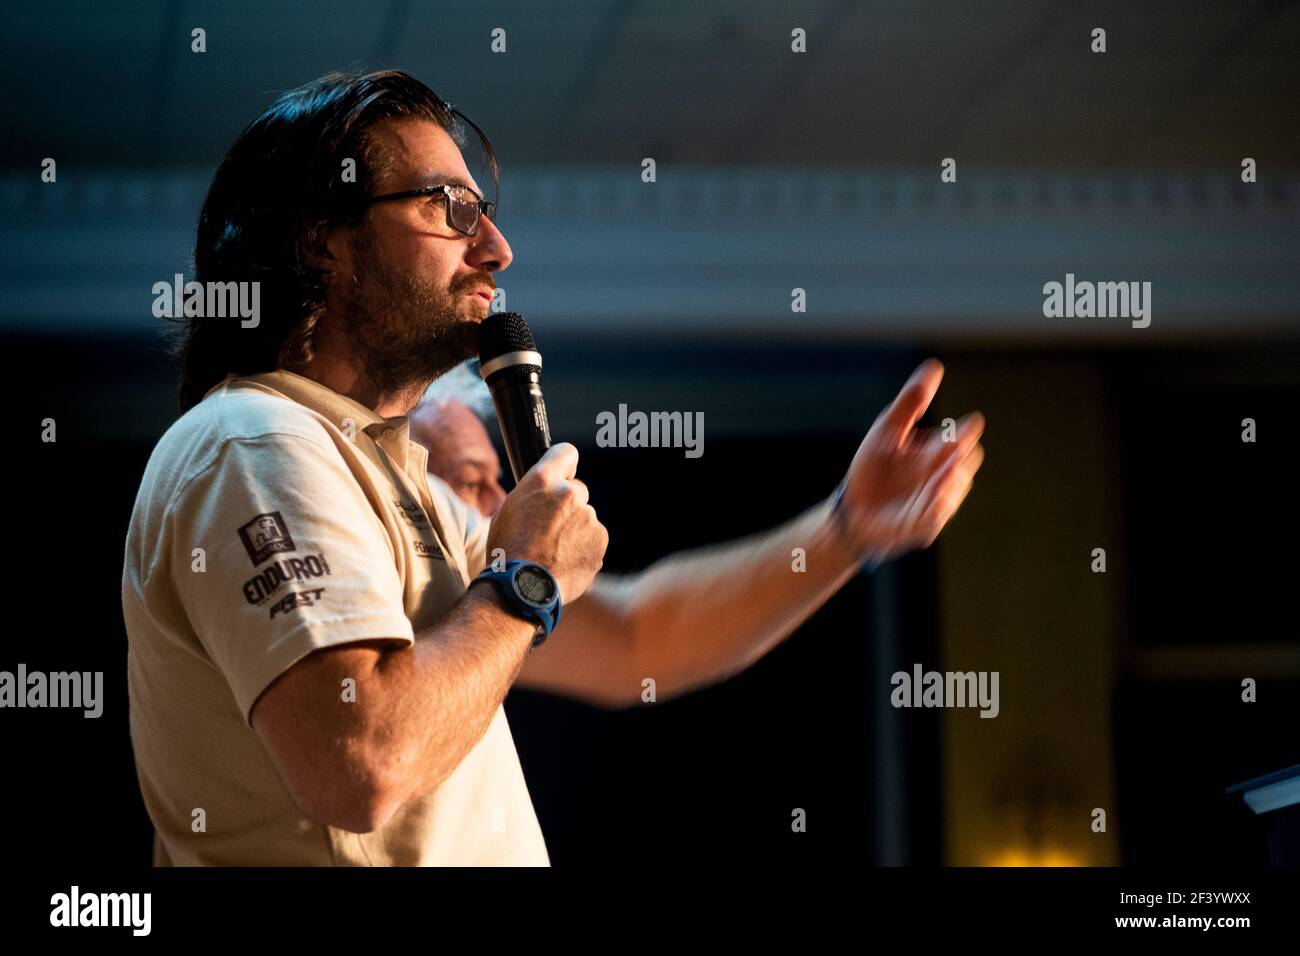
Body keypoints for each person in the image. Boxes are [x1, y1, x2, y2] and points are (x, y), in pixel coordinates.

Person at [123, 70, 985, 867]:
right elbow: (361, 762)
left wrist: (844, 530)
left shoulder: (390, 482)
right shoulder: (258, 439)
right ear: (325, 246)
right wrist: (524, 580)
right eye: (450, 207)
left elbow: (641, 638)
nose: (496, 246)